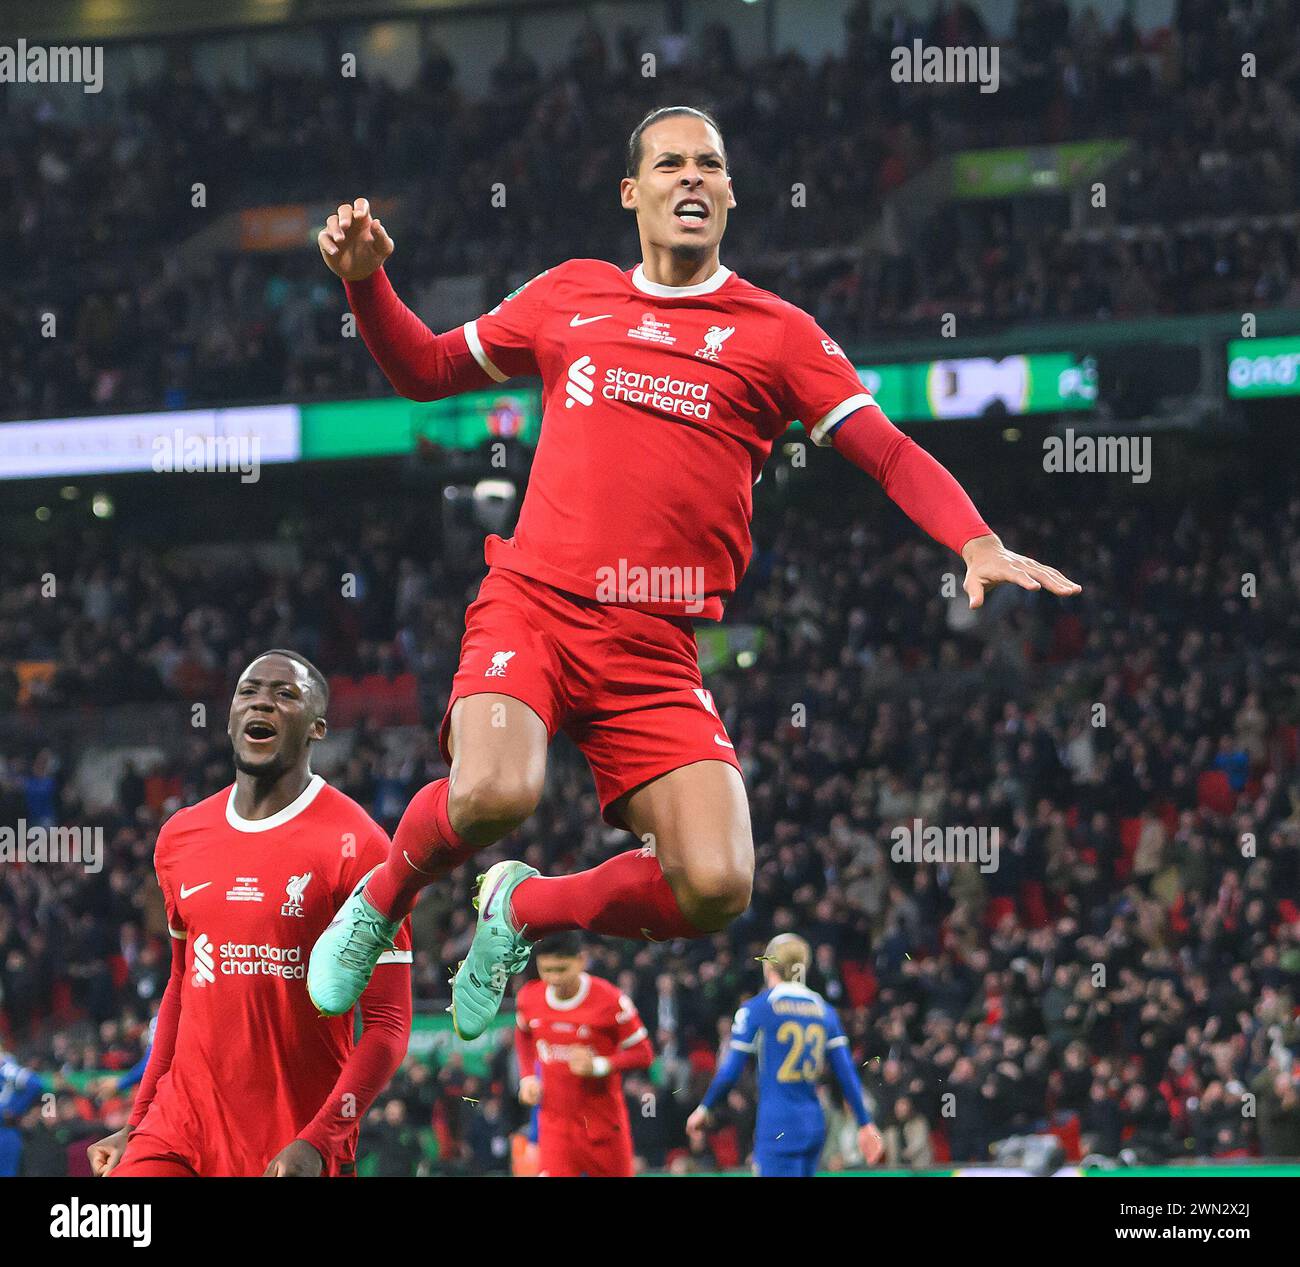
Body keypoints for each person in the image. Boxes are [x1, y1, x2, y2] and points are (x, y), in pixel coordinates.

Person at [307, 105, 1081, 1038]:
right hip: (536, 607)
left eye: (708, 166)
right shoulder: (570, 295)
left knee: (716, 885)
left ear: (728, 194)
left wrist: (976, 541)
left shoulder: (777, 334)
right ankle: (383, 897)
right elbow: (426, 368)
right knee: (493, 792)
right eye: (669, 164)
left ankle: (523, 909)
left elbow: (888, 451)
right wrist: (365, 284)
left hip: (654, 641)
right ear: (632, 193)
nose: (691, 179)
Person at [86, 650, 412, 1177]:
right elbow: (180, 984)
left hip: (290, 1140)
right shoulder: (180, 837)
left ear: (317, 728)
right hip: (180, 1126)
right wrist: (137, 1123)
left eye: (286, 694)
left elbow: (388, 1024)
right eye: (249, 690)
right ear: (232, 715)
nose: (263, 700)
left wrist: (321, 1139)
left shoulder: (362, 847)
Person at [687, 934, 884, 1176]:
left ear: (768, 965)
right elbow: (845, 1073)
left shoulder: (757, 1009)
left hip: (778, 1124)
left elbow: (730, 1071)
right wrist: (865, 1123)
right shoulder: (825, 1010)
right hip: (813, 1122)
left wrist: (705, 1107)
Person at [514, 933, 653, 1176]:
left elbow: (643, 1054)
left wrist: (600, 1065)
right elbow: (523, 1034)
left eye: (561, 969)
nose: (554, 978)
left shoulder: (609, 1000)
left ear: (581, 960)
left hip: (602, 1127)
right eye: (546, 970)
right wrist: (527, 1077)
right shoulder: (529, 998)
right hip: (556, 1130)